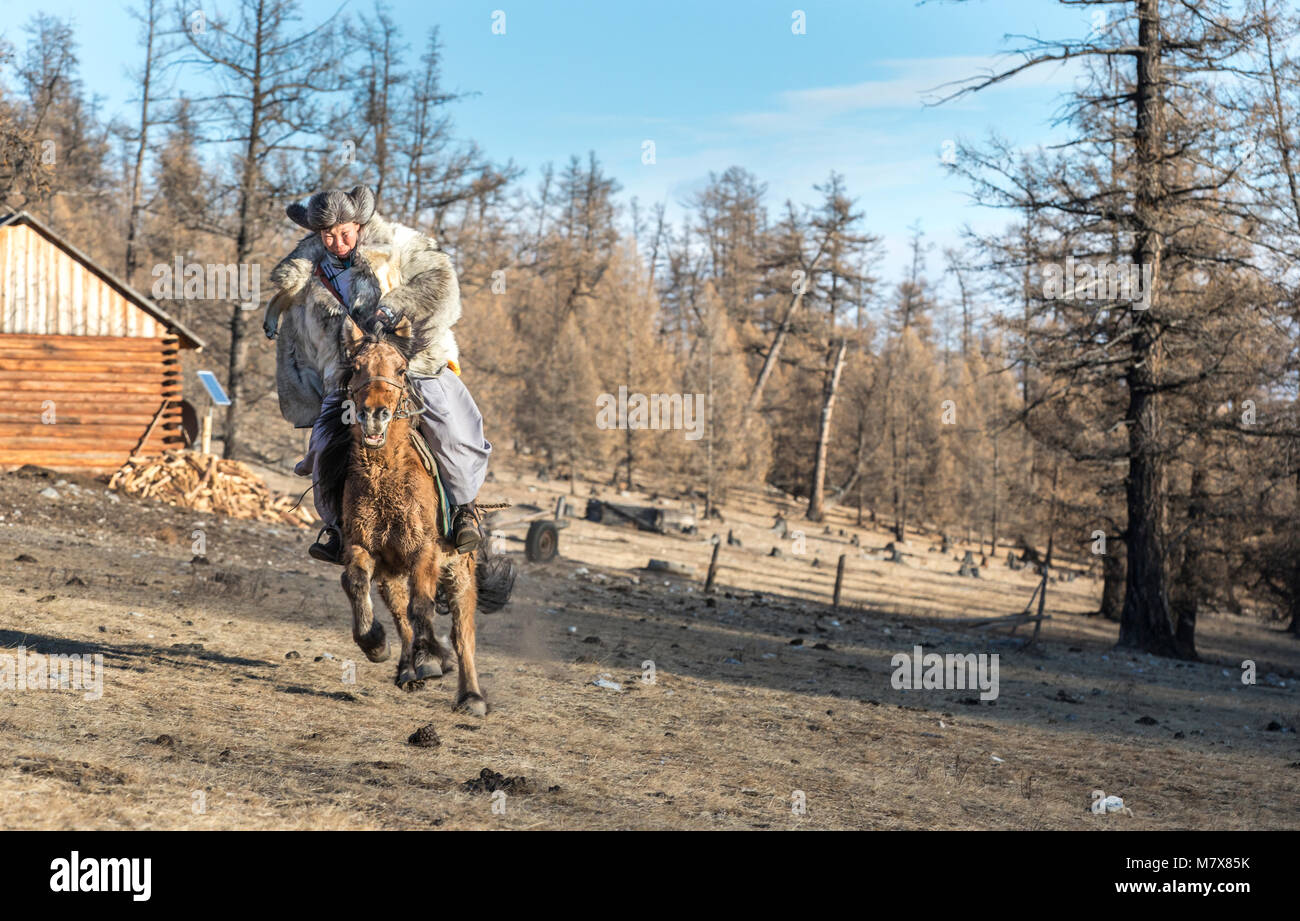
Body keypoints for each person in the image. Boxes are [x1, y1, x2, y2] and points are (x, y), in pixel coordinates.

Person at [264, 185, 490, 563]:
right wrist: (278, 305)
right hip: (353, 376)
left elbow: (440, 282)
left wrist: (395, 306)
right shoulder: (312, 270)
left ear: (360, 224)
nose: (337, 242)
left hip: (411, 363)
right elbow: (301, 335)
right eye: (328, 236)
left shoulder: (400, 243)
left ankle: (466, 510)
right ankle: (337, 528)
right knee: (323, 447)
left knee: (450, 429)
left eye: (345, 233)